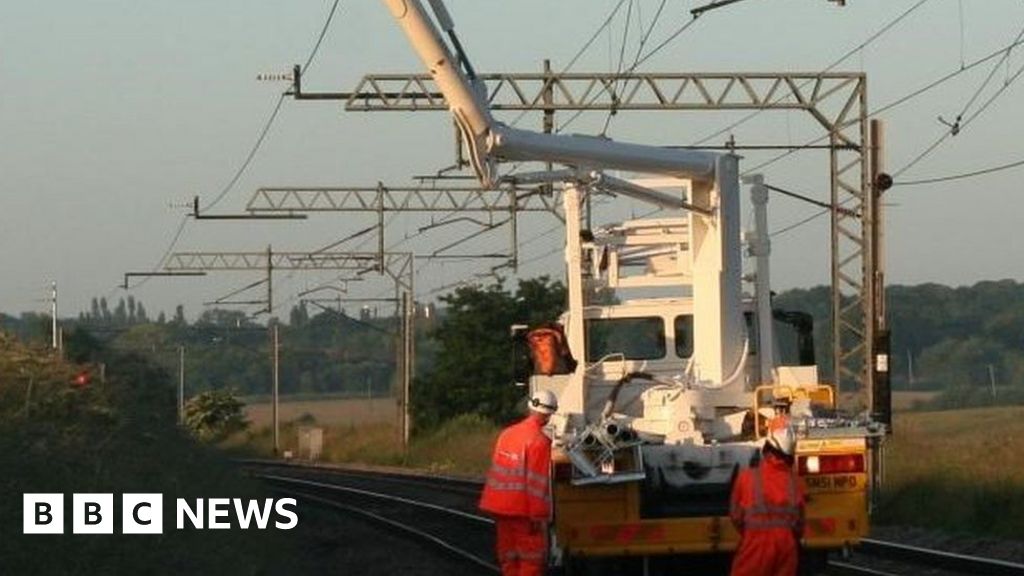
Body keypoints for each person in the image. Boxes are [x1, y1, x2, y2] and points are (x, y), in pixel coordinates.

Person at [479, 389, 557, 576]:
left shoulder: (507, 434)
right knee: (530, 560)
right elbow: (536, 484)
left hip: (499, 507)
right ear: (549, 414)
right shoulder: (540, 441)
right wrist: (538, 517)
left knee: (509, 556)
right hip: (523, 512)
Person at [729, 421, 805, 576]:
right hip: (786, 547)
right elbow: (799, 523)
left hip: (755, 545)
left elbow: (736, 516)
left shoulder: (746, 478)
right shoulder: (796, 482)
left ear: (767, 447)